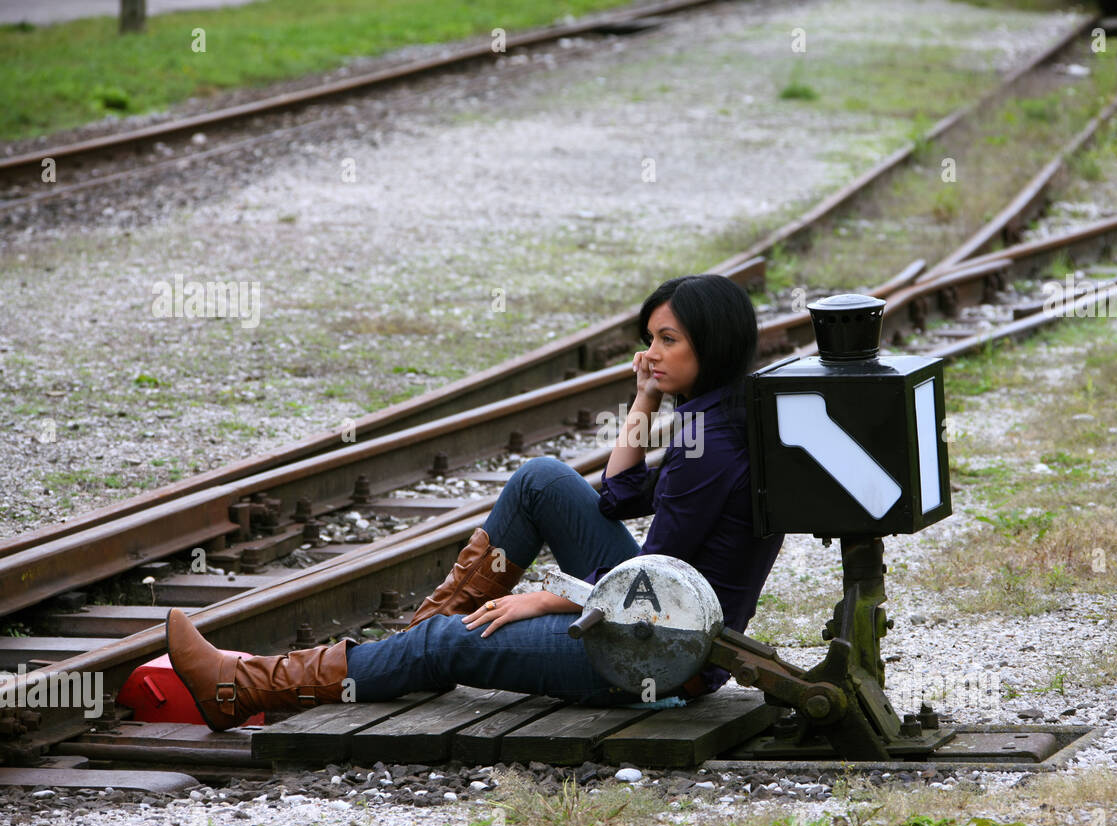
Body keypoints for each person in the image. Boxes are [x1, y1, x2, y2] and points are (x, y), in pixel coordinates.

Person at [166, 274, 787, 731]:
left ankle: (241, 689)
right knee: (542, 479)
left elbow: (649, 582)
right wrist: (644, 399)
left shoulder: (710, 451)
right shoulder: (719, 420)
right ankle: (401, 656)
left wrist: (550, 597)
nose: (649, 353)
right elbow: (619, 497)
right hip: (669, 626)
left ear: (714, 345)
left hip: (659, 653)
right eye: (649, 338)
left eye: (668, 340)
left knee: (448, 643)